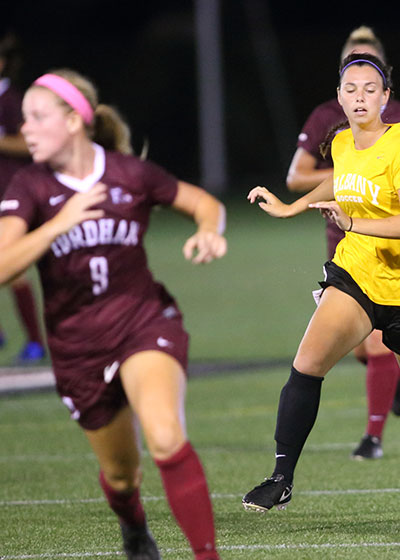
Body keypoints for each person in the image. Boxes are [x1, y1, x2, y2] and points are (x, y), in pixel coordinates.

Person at [241, 52, 400, 513]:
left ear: (385, 97)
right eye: (350, 89)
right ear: (339, 97)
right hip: (355, 275)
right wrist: (289, 208)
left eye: (369, 89)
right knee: (307, 364)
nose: (359, 97)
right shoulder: (340, 143)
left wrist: (353, 223)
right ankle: (281, 477)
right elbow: (339, 181)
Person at [0, 69, 226, 559]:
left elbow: (205, 203)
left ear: (74, 121)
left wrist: (209, 229)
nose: (26, 130)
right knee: (123, 476)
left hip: (142, 323)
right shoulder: (30, 186)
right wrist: (60, 223)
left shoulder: (128, 173)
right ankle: (134, 524)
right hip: (77, 347)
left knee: (166, 436)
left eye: (37, 118)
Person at [286, 25, 400, 460]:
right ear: (340, 83)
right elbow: (297, 176)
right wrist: (348, 177)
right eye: (350, 80)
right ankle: (393, 377)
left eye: (369, 79)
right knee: (361, 347)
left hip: (396, 254)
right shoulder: (327, 120)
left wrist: (392, 182)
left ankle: (372, 437)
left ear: (384, 85)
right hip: (345, 244)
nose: (359, 93)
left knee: (378, 343)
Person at [0, 32, 45, 363]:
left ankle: (34, 341)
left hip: (9, 195)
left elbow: (27, 145)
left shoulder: (10, 99)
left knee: (13, 269)